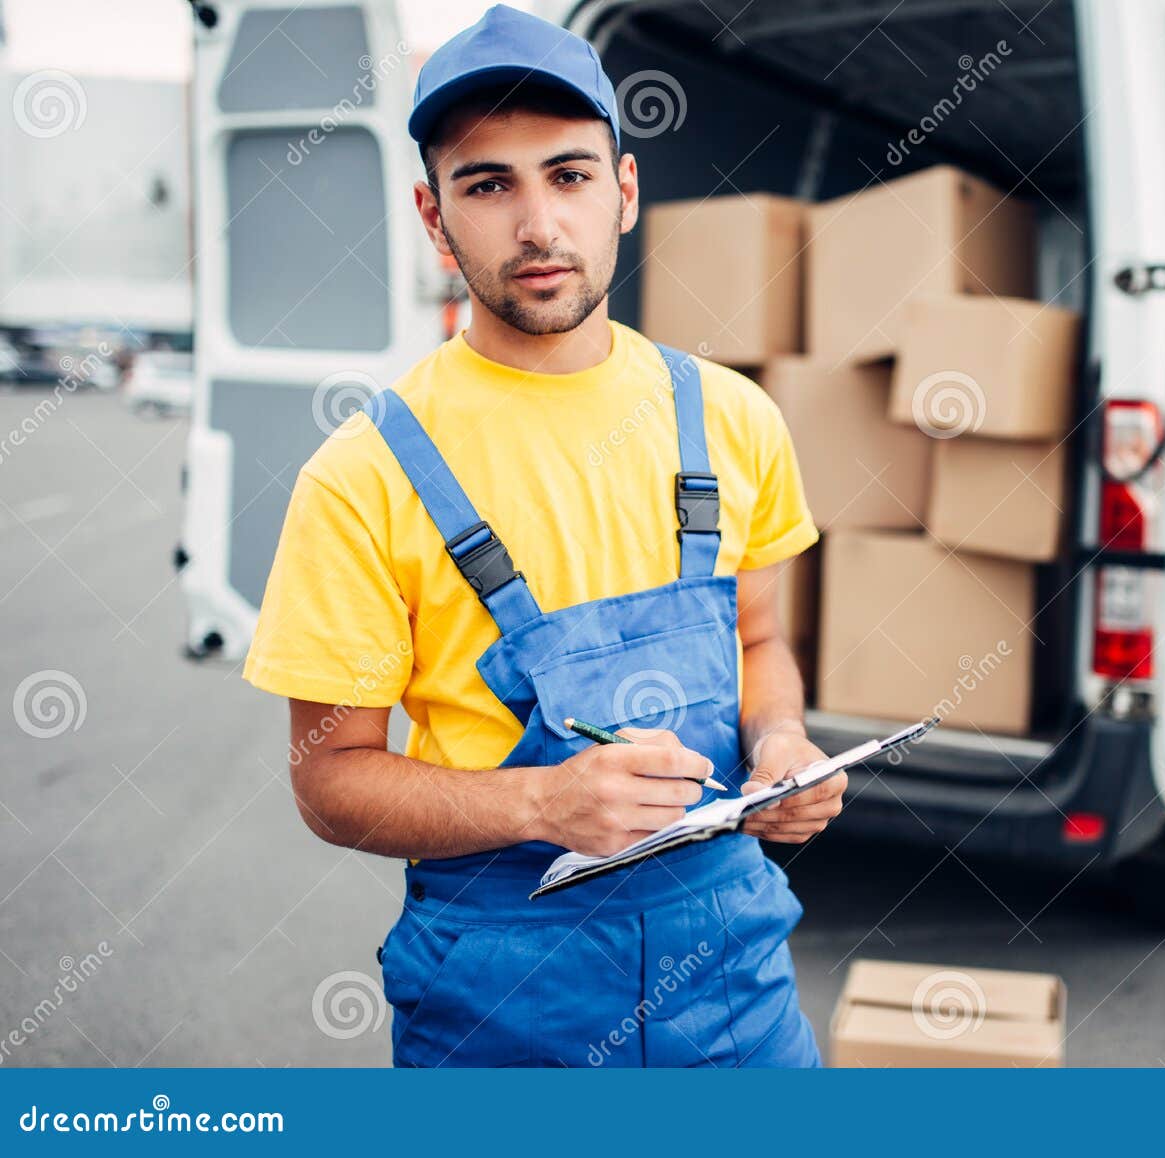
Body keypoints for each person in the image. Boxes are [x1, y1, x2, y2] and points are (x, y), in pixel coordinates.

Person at [242, 4, 840, 1067]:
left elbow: (759, 645)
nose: (537, 225)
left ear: (625, 191)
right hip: (505, 1006)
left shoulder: (733, 419)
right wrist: (542, 802)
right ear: (434, 218)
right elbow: (329, 779)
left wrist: (781, 744)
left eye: (567, 176)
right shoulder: (367, 475)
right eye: (488, 185)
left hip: (736, 984)